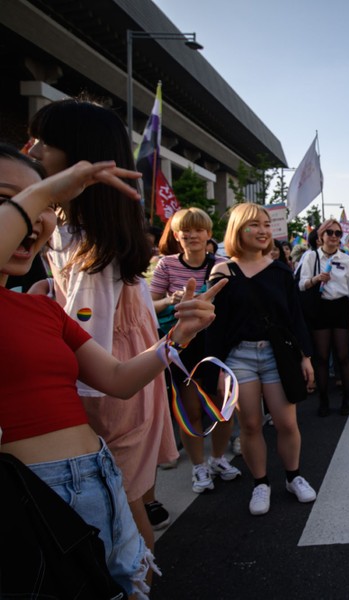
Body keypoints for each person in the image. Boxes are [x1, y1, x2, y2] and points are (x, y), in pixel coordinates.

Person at [0, 149, 225, 597]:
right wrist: (46, 191)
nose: (34, 218)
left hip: (101, 477)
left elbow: (119, 378)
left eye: (44, 205)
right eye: (12, 201)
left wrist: (177, 336)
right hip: (29, 499)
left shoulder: (43, 307)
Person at [28, 98, 178, 556]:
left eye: (44, 143)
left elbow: (89, 345)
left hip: (107, 384)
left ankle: (138, 580)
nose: (31, 150)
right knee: (126, 500)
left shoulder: (92, 250)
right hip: (119, 375)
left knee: (122, 511)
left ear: (78, 160)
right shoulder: (72, 229)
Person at [206, 203, 317, 516]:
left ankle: (294, 477)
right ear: (238, 229)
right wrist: (216, 368)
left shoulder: (281, 270)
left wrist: (305, 357)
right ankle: (261, 483)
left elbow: (295, 318)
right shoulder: (222, 272)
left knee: (286, 422)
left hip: (277, 354)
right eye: (255, 224)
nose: (263, 230)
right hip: (238, 357)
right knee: (251, 424)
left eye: (267, 224)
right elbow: (214, 326)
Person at [149, 207, 239, 493]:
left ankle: (217, 458)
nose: (192, 235)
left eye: (198, 229)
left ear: (208, 234)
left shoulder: (223, 264)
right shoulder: (165, 265)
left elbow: (235, 307)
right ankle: (198, 467)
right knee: (190, 411)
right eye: (185, 230)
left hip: (217, 344)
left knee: (223, 406)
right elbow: (149, 305)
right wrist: (170, 301)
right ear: (176, 235)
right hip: (182, 346)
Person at [298, 218, 349, 417]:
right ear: (321, 236)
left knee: (343, 356)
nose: (334, 237)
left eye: (338, 233)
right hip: (320, 307)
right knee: (322, 357)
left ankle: (347, 399)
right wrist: (316, 279)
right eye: (330, 232)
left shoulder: (346, 259)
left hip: (341, 308)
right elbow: (301, 284)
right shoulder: (311, 257)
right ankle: (323, 399)